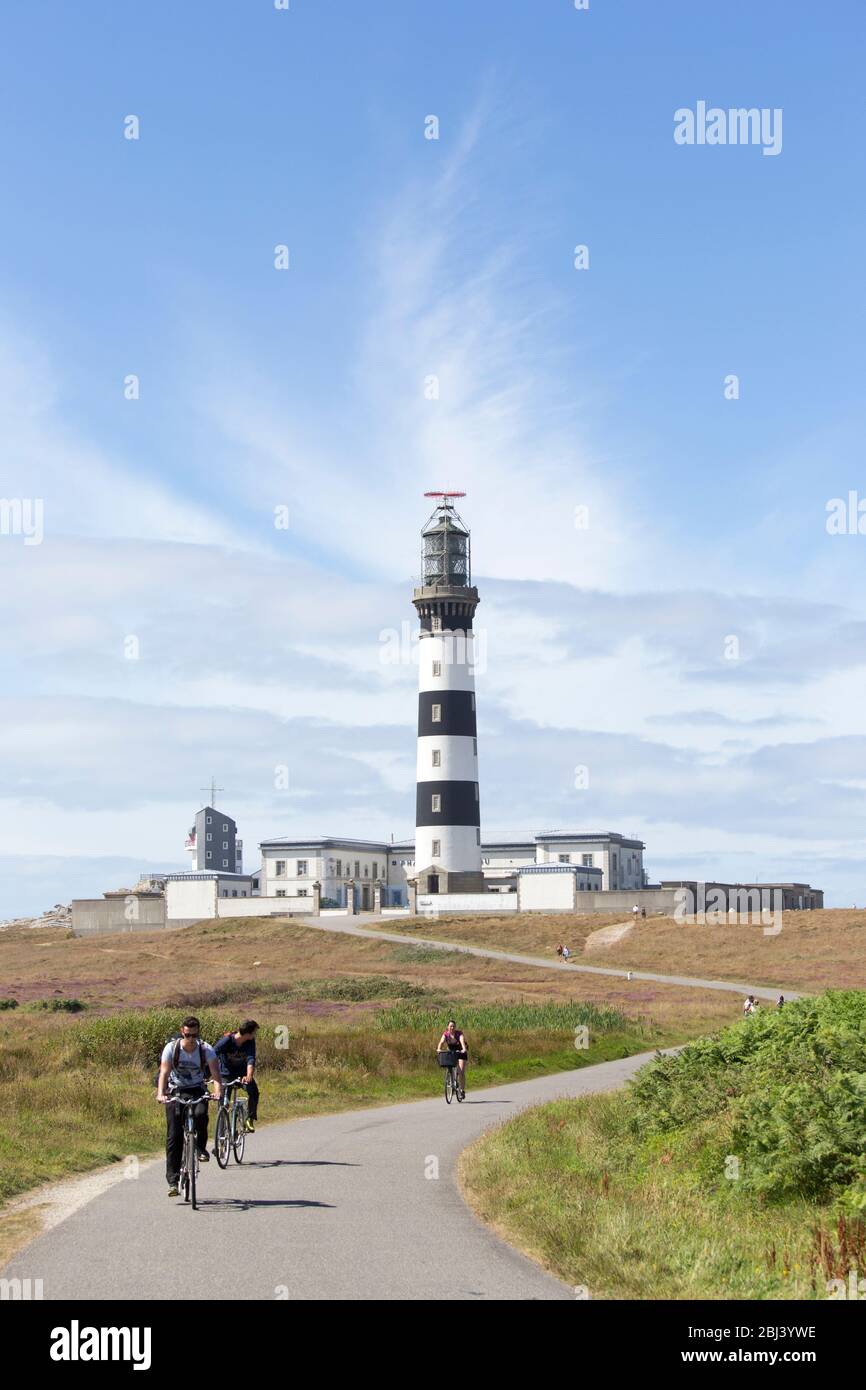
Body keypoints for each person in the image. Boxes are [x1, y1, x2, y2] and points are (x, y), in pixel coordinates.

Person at [157, 1016, 222, 1198]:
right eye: (187, 1035)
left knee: (201, 1114)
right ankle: (173, 1181)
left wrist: (217, 1092)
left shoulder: (205, 1049)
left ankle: (200, 1148)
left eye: (194, 1035)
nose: (191, 1039)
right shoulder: (172, 1048)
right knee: (174, 1136)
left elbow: (216, 1074)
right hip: (176, 1090)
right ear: (182, 1032)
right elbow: (164, 1071)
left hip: (196, 1089)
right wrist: (161, 1093)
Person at [214, 1020, 259, 1133]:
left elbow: (250, 1059)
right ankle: (221, 1133)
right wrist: (209, 1074)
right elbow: (212, 1054)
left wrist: (249, 1075)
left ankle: (250, 1118)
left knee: (253, 1091)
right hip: (226, 1074)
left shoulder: (250, 1042)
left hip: (242, 1075)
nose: (254, 1035)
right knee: (223, 1100)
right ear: (248, 1033)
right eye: (254, 1033)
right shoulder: (227, 1040)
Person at [437, 1019, 468, 1092]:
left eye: (453, 1026)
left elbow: (462, 1041)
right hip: (452, 1052)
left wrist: (463, 1049)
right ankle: (451, 1080)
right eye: (450, 1026)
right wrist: (439, 1049)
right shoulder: (446, 1034)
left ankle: (462, 1089)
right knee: (449, 1065)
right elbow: (441, 1042)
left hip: (461, 1052)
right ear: (447, 1027)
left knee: (461, 1072)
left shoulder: (459, 1034)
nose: (452, 1028)